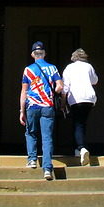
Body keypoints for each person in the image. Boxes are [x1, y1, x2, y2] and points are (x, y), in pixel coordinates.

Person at [19, 41, 64, 181]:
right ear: (44, 53)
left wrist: (21, 111)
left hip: (32, 106)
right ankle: (47, 169)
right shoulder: (53, 68)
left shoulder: (28, 70)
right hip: (47, 106)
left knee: (31, 132)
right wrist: (52, 93)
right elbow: (60, 87)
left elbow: (24, 91)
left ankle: (32, 160)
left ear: (33, 54)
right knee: (47, 137)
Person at [62, 48, 98, 166]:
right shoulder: (88, 67)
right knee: (82, 123)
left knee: (78, 124)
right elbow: (95, 81)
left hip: (75, 99)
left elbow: (65, 87)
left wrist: (63, 102)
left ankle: (81, 148)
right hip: (89, 98)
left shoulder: (69, 68)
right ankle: (78, 149)